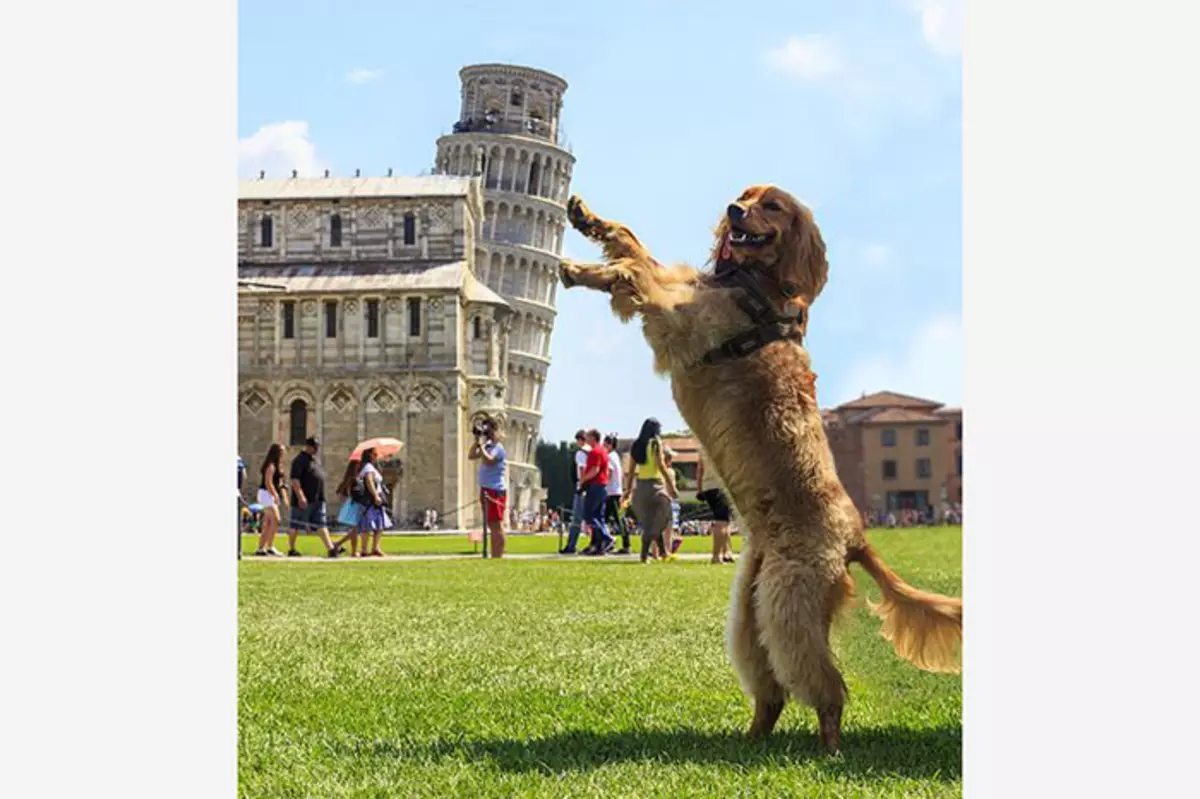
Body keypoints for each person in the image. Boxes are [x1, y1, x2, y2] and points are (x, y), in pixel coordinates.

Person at [624, 418, 677, 563]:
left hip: (640, 486)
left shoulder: (637, 445)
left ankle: (664, 553)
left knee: (651, 521)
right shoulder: (656, 443)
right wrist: (671, 486)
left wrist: (628, 491)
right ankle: (643, 555)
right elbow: (661, 466)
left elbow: (631, 470)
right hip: (656, 485)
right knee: (660, 519)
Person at [285, 437, 339, 557]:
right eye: (315, 446)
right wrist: (300, 496)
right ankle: (292, 549)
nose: (317, 449)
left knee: (321, 524)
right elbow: (295, 480)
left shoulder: (313, 460)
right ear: (309, 446)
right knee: (296, 525)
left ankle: (331, 549)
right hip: (304, 499)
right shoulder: (299, 460)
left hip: (317, 499)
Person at [468, 415, 508, 558]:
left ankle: (498, 555)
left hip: (495, 490)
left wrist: (483, 447)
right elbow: (471, 455)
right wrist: (477, 442)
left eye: (489, 431)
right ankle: (494, 554)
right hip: (486, 489)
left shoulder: (498, 448)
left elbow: (488, 460)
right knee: (491, 525)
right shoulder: (489, 446)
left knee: (497, 525)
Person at [577, 429, 614, 555]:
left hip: (595, 485)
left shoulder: (595, 452)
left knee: (590, 515)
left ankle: (606, 537)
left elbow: (595, 469)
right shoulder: (603, 451)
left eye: (588, 436)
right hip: (602, 486)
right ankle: (599, 546)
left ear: (593, 437)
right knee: (599, 516)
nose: (586, 438)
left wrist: (583, 480)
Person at [697, 458, 736, 564]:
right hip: (720, 486)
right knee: (722, 522)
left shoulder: (704, 449)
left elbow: (700, 469)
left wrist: (699, 489)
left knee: (725, 521)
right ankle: (716, 556)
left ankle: (727, 552)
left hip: (707, 487)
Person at [560, 429, 592, 554]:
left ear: (580, 440)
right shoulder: (593, 452)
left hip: (583, 485)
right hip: (593, 486)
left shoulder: (581, 453)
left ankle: (571, 545)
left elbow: (582, 469)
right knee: (592, 518)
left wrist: (580, 485)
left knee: (576, 519)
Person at [354, 448, 390, 557]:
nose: (376, 456)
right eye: (375, 454)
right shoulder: (368, 468)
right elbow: (369, 482)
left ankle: (375, 548)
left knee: (379, 525)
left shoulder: (369, 467)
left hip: (372, 500)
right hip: (371, 500)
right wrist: (376, 496)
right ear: (369, 455)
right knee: (368, 525)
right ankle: (365, 549)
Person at [254, 443, 288, 556]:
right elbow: (268, 482)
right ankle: (270, 546)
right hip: (266, 494)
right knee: (276, 520)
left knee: (268, 523)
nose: (283, 454)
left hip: (268, 494)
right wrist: (275, 495)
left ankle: (261, 548)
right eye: (281, 452)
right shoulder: (271, 465)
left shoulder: (277, 465)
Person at [601, 433, 631, 555]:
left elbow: (609, 472)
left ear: (609, 445)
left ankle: (621, 543)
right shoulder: (616, 456)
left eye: (604, 443)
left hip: (611, 492)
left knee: (611, 519)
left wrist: (603, 485)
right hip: (616, 491)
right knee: (608, 519)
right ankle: (607, 541)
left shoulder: (609, 457)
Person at [333, 461, 362, 556]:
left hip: (354, 504)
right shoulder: (352, 479)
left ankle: (338, 543)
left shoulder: (353, 478)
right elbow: (351, 493)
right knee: (355, 529)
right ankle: (353, 551)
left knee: (356, 530)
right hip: (354, 505)